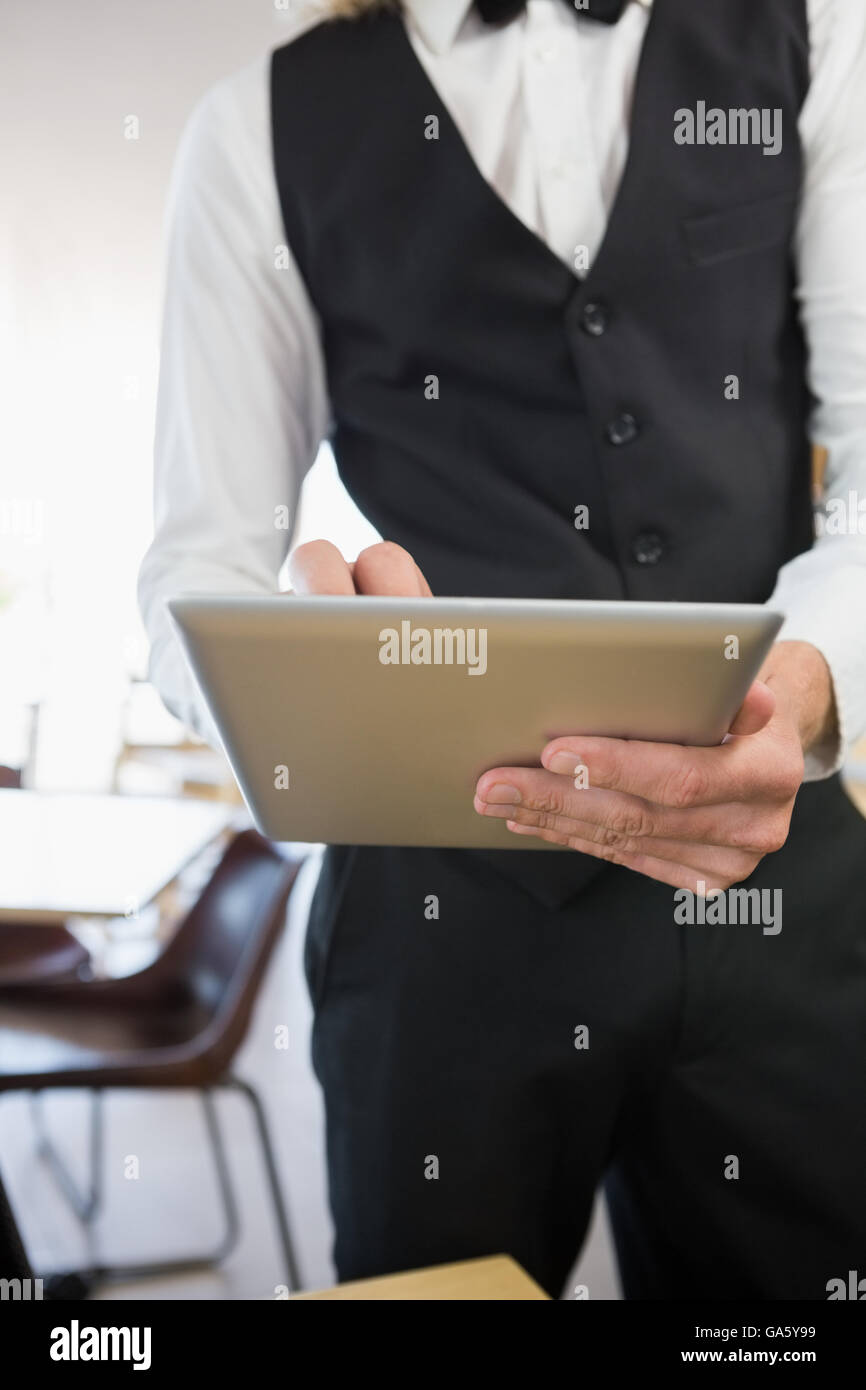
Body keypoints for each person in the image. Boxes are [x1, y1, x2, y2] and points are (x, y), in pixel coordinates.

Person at [139, 0, 866, 1299]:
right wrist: (308, 686)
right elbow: (199, 565)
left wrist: (803, 691)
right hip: (442, 936)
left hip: (790, 909)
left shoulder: (816, 39)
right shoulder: (251, 133)